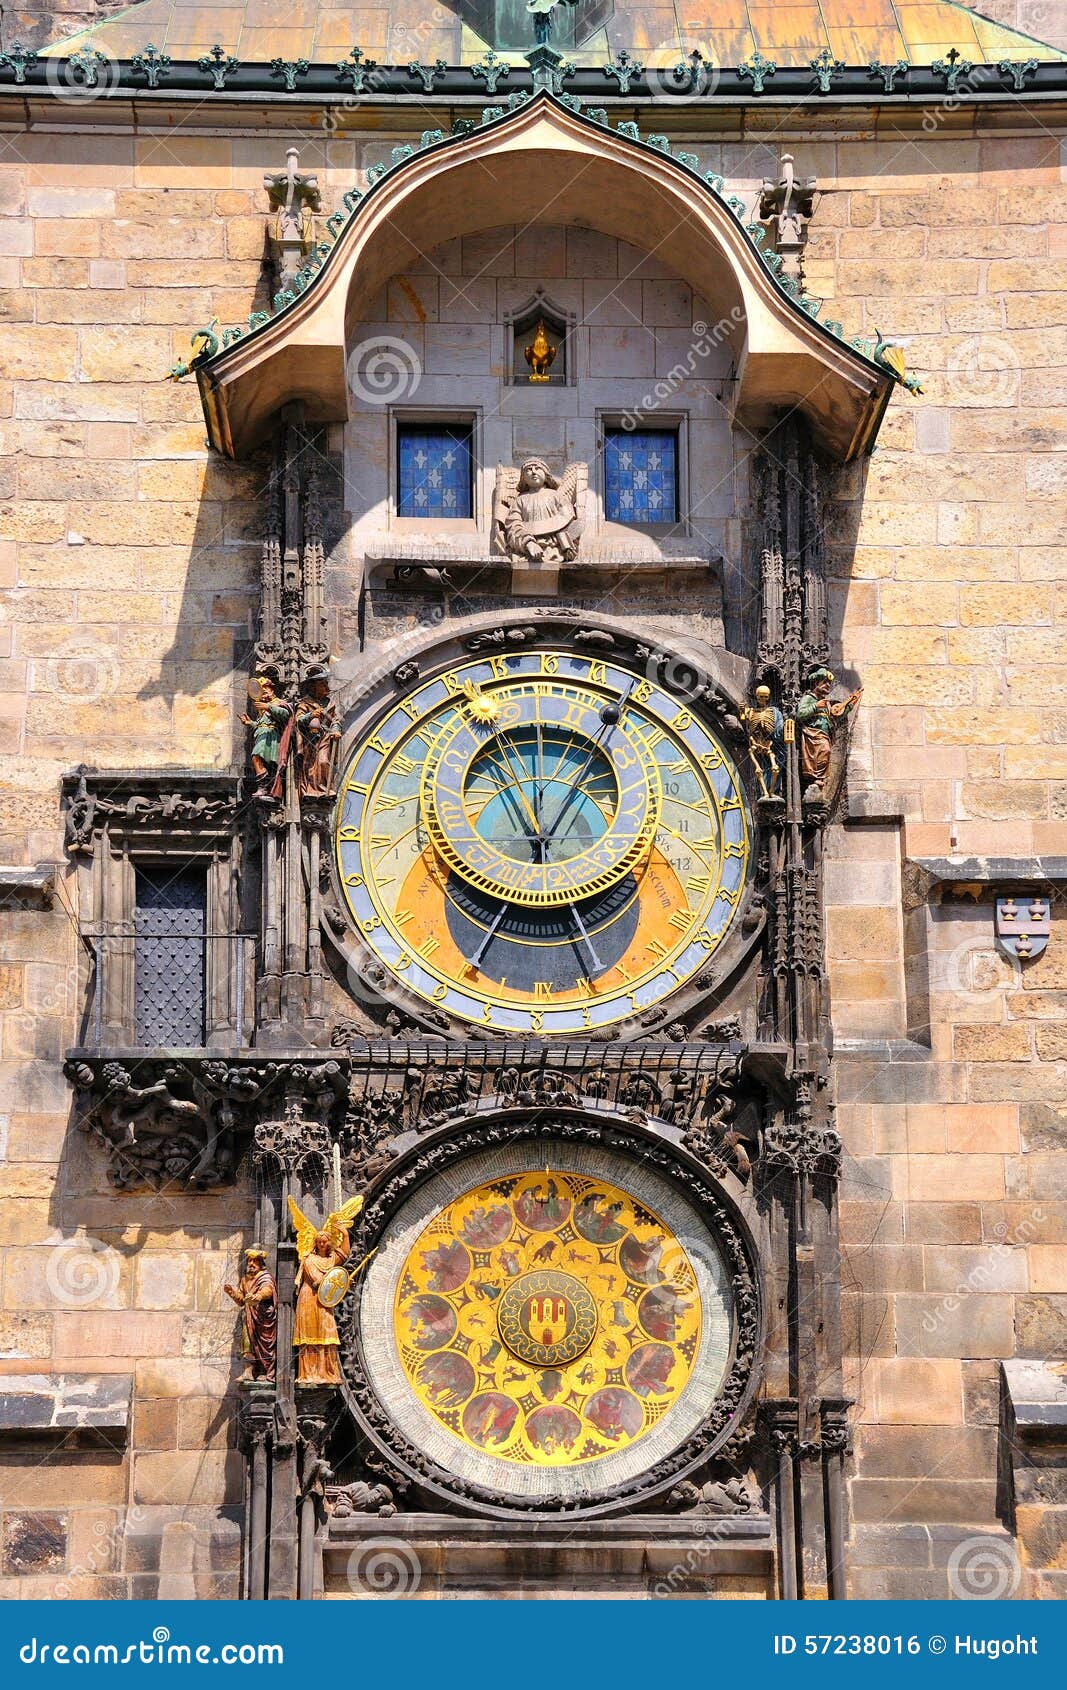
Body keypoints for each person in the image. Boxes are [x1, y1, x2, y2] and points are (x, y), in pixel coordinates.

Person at [293, 1225, 350, 1385]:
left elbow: (344, 1254)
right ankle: (309, 1373)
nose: (322, 1244)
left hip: (325, 1301)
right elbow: (317, 1281)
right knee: (310, 1333)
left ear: (329, 1243)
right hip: (310, 1298)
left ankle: (326, 1372)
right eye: (319, 1242)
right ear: (315, 1243)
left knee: (326, 1333)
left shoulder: (331, 1260)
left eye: (325, 1242)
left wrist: (345, 1235)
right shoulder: (309, 1260)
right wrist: (338, 1282)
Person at [795, 666, 861, 792]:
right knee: (824, 750)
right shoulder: (809, 698)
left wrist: (851, 703)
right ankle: (815, 777)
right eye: (824, 682)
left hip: (825, 734)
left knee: (826, 752)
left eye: (829, 683)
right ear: (816, 683)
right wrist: (815, 706)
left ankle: (819, 778)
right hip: (813, 735)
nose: (827, 685)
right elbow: (800, 714)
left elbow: (836, 714)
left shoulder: (825, 703)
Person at [224, 1247, 278, 1383]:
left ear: (260, 1264)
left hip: (263, 1318)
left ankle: (265, 1371)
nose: (251, 1264)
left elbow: (268, 1290)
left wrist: (258, 1296)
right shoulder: (245, 1279)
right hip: (248, 1317)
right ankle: (248, 1371)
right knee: (247, 1344)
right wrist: (232, 1293)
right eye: (249, 1261)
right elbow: (242, 1301)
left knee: (264, 1346)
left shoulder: (265, 1277)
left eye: (254, 1261)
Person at [242, 675, 294, 801]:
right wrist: (251, 723)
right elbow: (261, 723)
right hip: (262, 736)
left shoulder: (278, 703)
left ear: (272, 689)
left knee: (256, 756)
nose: (264, 690)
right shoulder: (264, 708)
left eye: (266, 688)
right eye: (261, 689)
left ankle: (263, 786)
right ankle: (266, 787)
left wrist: (268, 707)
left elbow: (286, 714)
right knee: (265, 762)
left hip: (271, 737)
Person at [295, 665, 340, 798]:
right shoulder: (305, 703)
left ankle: (323, 788)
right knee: (310, 765)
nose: (327, 687)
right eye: (323, 684)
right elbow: (298, 720)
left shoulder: (329, 704)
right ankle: (311, 789)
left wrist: (336, 730)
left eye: (326, 683)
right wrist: (311, 715)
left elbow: (335, 720)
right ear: (314, 687)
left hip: (325, 738)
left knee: (323, 761)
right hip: (311, 739)